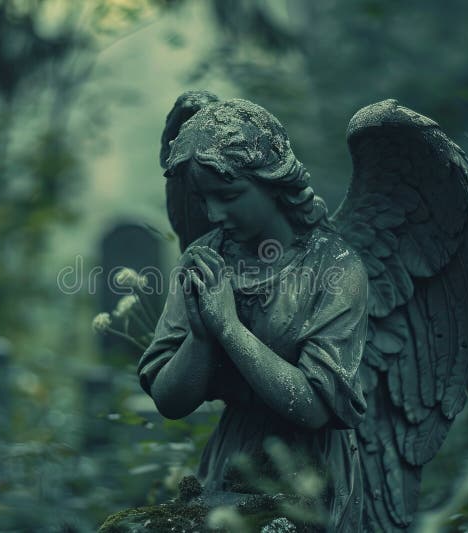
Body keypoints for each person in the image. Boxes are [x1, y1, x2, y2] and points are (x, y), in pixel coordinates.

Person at [137, 98, 369, 531]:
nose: (213, 214)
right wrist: (202, 337)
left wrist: (228, 327)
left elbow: (315, 408)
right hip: (232, 460)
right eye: (203, 199)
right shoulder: (206, 256)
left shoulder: (334, 266)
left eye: (228, 196)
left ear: (273, 182)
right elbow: (170, 400)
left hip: (312, 471)